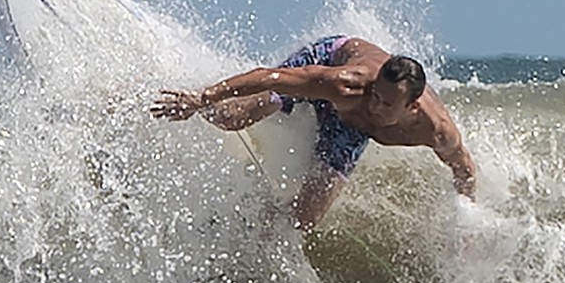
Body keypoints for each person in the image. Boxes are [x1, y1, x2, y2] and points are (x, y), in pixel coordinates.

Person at [151, 36, 477, 230]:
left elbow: (464, 168)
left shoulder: (437, 130)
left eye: (387, 103)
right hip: (328, 59)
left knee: (305, 219)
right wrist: (204, 97)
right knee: (230, 117)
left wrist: (467, 221)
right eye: (375, 94)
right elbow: (270, 77)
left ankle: (246, 226)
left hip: (347, 127)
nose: (375, 106)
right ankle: (166, 90)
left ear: (413, 106)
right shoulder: (347, 85)